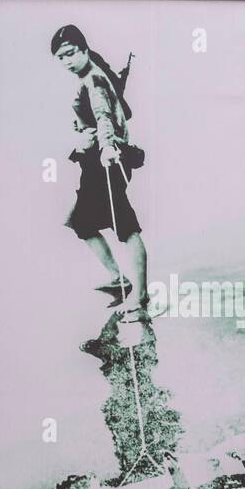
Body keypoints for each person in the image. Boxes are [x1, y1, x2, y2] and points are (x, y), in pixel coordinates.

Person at [51, 24, 149, 324]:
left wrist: (107, 148)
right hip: (94, 161)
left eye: (70, 54)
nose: (66, 62)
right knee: (79, 221)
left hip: (105, 161)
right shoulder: (90, 74)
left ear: (83, 49)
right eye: (61, 58)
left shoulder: (93, 80)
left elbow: (105, 116)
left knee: (126, 228)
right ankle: (118, 278)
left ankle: (140, 296)